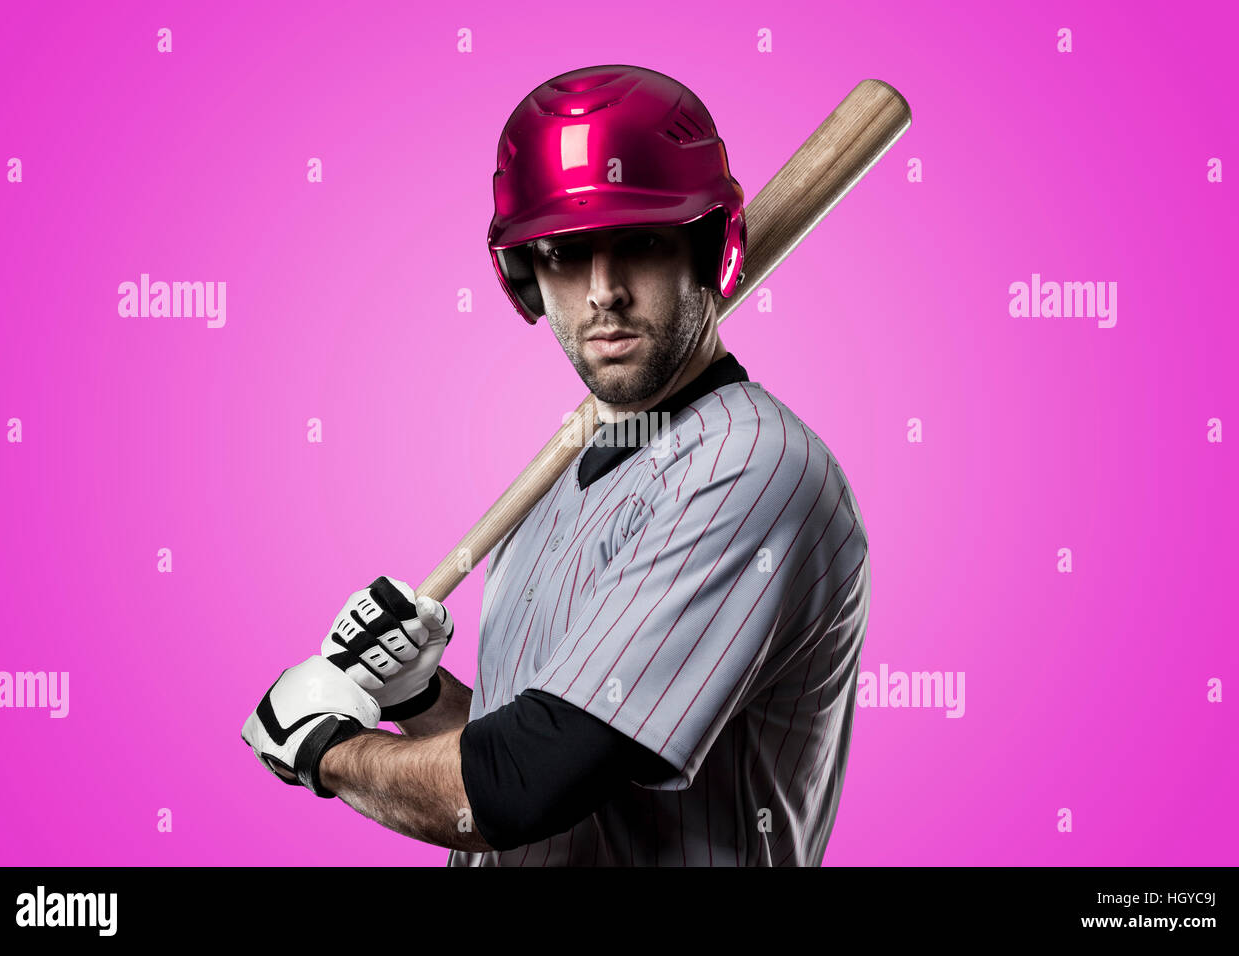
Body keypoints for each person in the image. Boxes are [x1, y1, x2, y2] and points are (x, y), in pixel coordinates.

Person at [240, 64, 871, 867]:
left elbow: (523, 784)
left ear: (710, 247)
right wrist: (420, 697)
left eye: (639, 242)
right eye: (567, 254)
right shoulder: (555, 487)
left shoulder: (751, 469)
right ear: (526, 277)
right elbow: (533, 755)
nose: (603, 292)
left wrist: (325, 750)